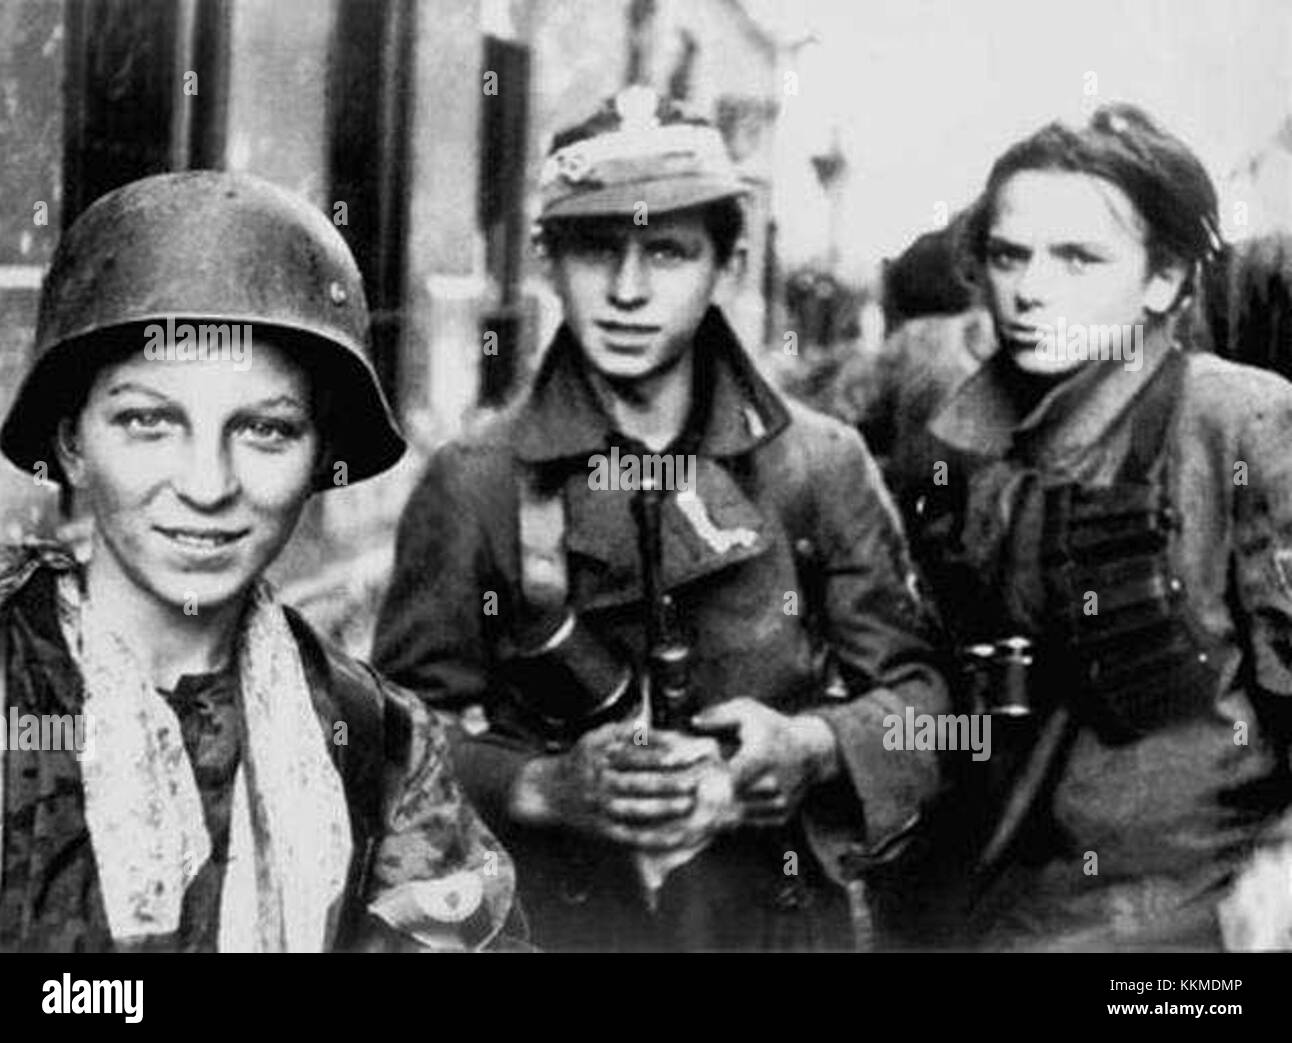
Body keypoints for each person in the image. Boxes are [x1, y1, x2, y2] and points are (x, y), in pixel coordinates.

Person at [371, 85, 950, 952]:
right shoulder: (475, 481)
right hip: (558, 923)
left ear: (727, 263)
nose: (629, 292)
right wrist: (541, 786)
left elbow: (927, 708)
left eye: (670, 252)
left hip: (770, 921)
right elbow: (389, 740)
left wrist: (810, 746)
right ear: (545, 258)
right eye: (598, 250)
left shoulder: (817, 466)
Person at [0, 171, 518, 952]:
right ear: (72, 442)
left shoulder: (375, 744)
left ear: (320, 456)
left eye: (266, 430)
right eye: (147, 420)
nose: (208, 484)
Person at [886, 103, 1292, 951]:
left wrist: (1279, 877)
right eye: (1008, 255)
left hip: (1185, 929)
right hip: (991, 904)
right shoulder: (958, 444)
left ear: (1166, 279)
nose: (1031, 289)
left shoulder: (1241, 425)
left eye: (1078, 258)